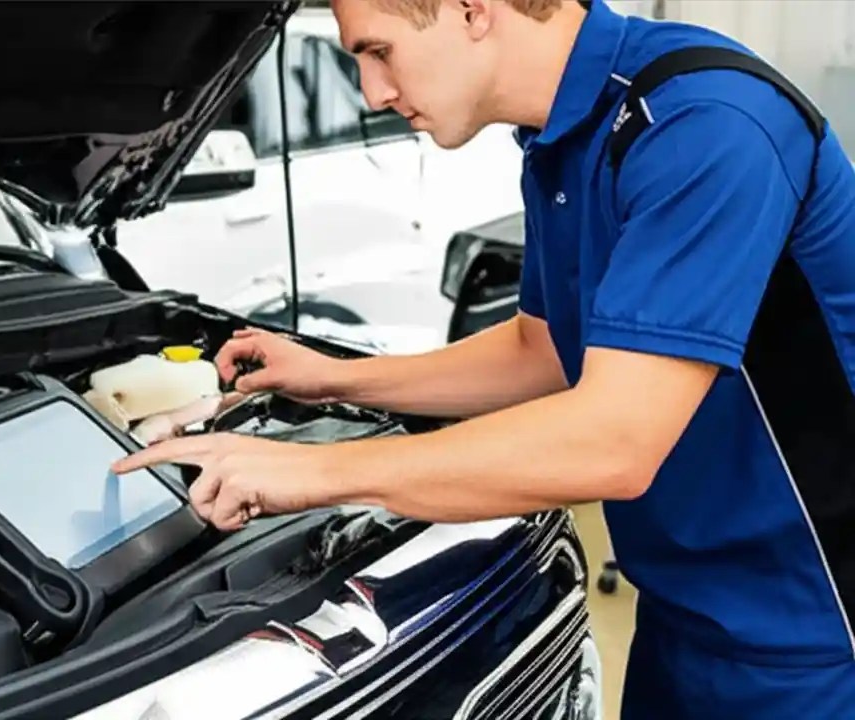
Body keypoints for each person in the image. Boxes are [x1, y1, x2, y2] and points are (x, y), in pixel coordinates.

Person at [113, 0, 855, 716]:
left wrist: (308, 474)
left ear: (471, 8)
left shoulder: (706, 123)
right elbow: (543, 347)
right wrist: (333, 377)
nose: (373, 93)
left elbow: (616, 440)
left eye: (378, 50)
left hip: (816, 634)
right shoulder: (564, 135)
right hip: (686, 616)